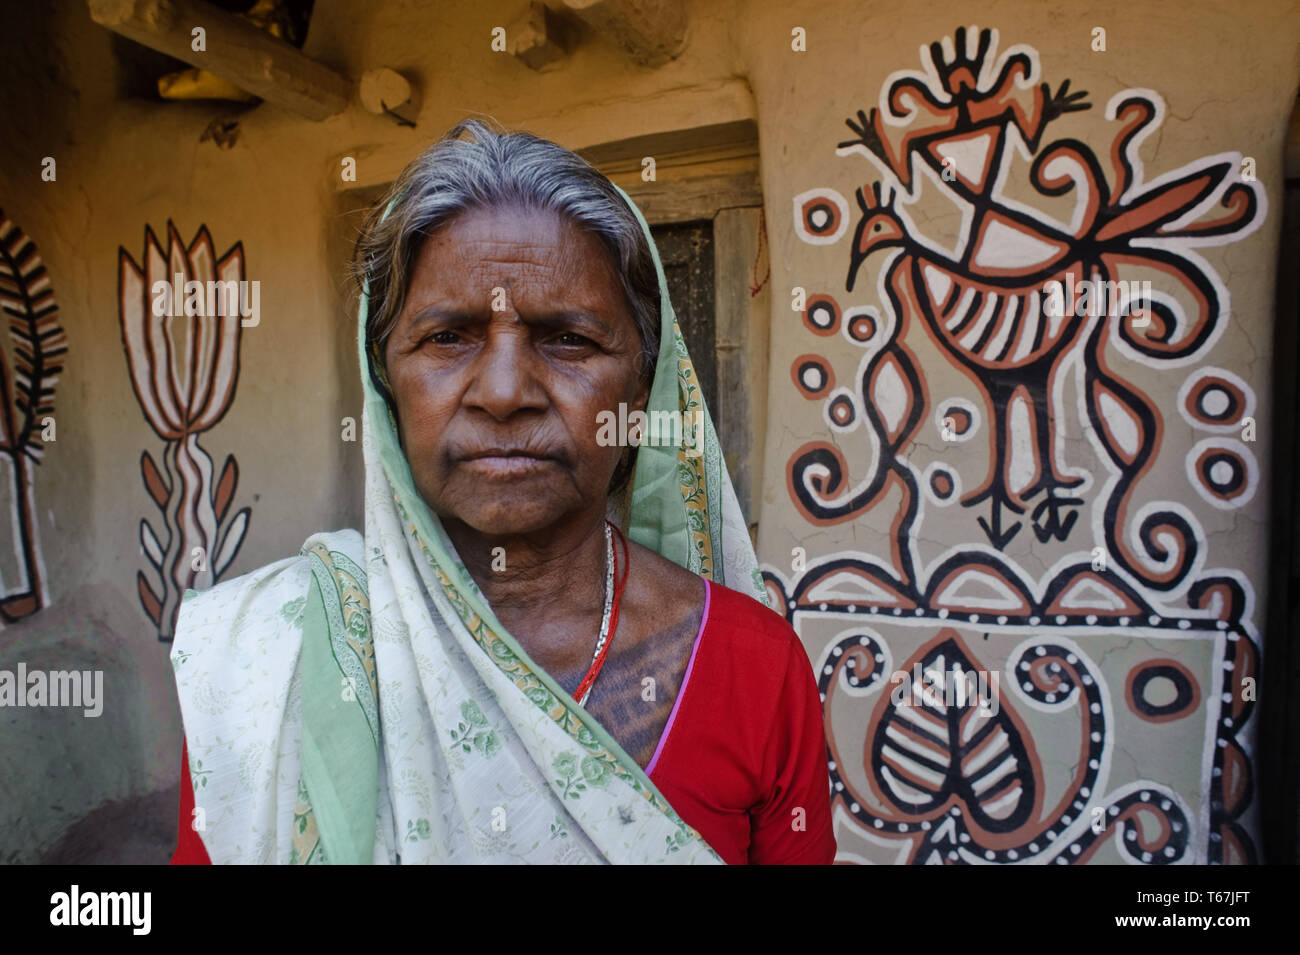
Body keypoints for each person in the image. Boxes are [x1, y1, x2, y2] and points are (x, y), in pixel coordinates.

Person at [169, 117, 836, 865]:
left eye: (569, 338)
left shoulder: (754, 666)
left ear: (641, 387)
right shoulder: (279, 660)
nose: (504, 390)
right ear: (386, 382)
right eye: (448, 337)